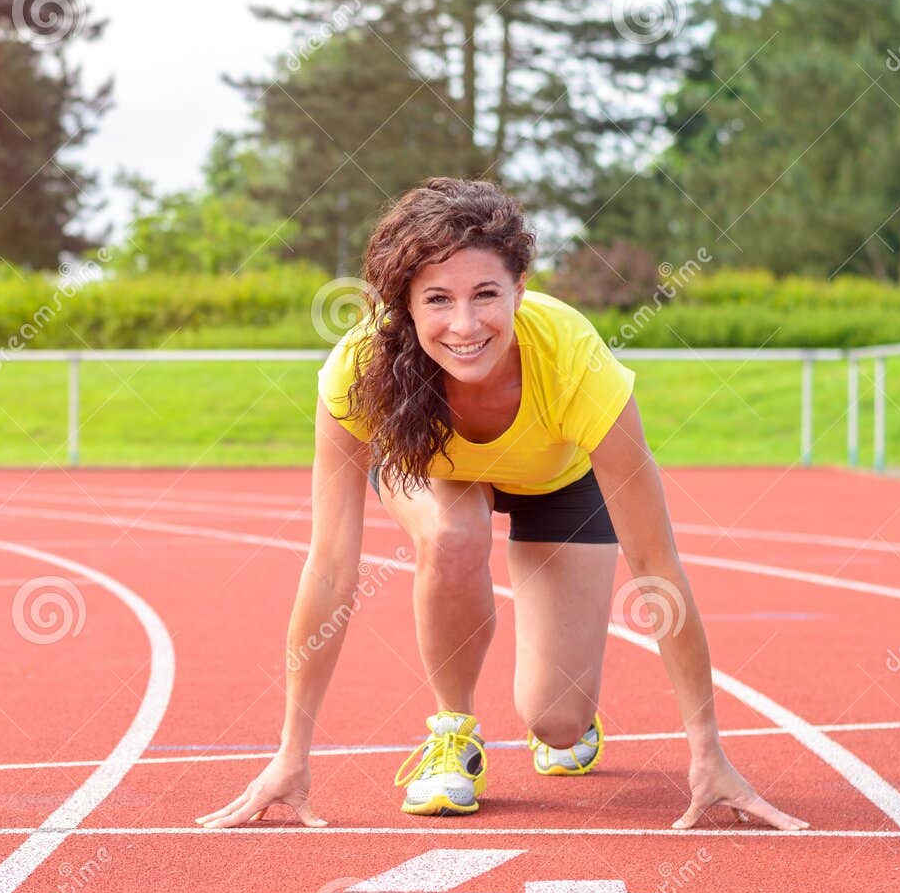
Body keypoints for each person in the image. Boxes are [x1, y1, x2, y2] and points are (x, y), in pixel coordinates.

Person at [197, 177, 807, 831]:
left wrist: (707, 749)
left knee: (557, 719)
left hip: (559, 482)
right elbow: (329, 568)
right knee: (453, 536)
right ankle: (452, 735)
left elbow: (656, 562)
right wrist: (292, 752)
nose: (464, 326)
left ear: (520, 289)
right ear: (402, 303)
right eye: (437, 299)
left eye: (485, 295)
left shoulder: (574, 360)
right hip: (433, 464)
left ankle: (570, 713)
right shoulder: (358, 372)